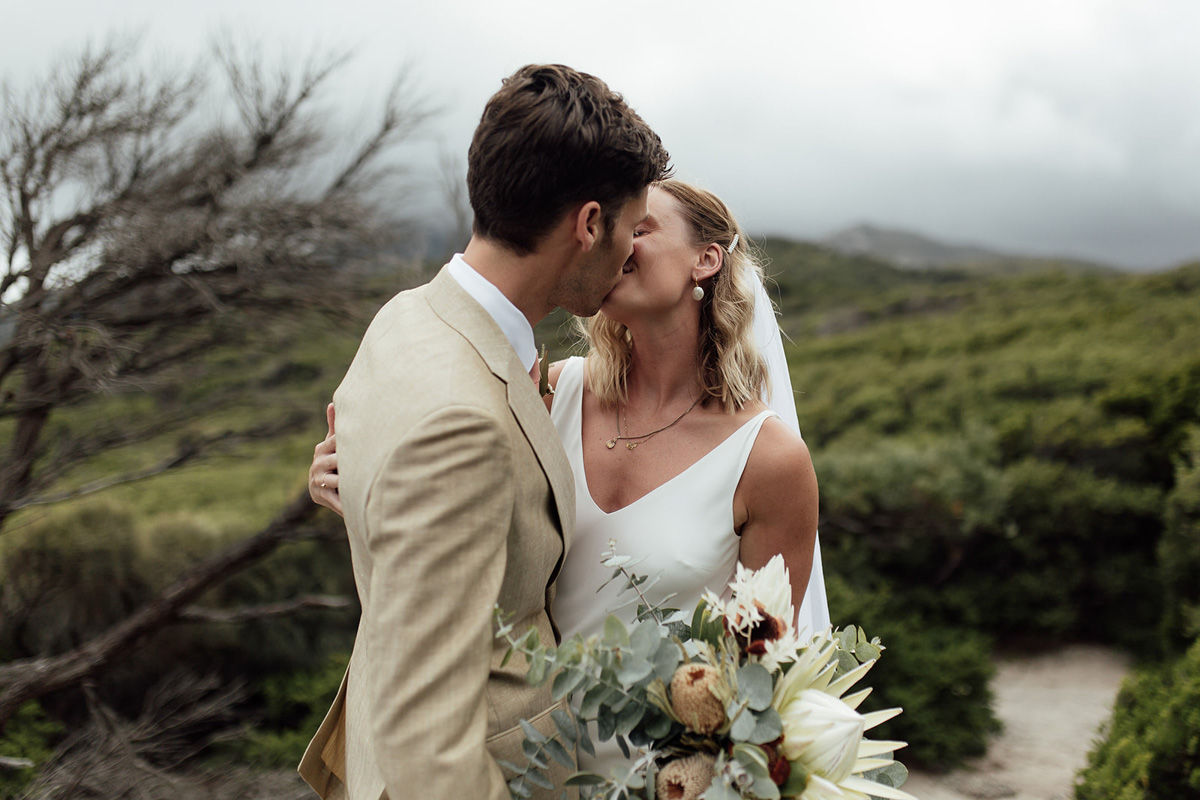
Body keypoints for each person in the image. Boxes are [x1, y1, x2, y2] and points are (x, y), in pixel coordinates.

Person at [309, 179, 832, 779]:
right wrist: (357, 478)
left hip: (655, 778)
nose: (615, 243)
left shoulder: (768, 460)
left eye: (640, 228)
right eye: (610, 228)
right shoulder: (549, 391)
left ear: (706, 260)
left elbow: (762, 669)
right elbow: (459, 513)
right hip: (517, 758)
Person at [297, 64, 671, 800]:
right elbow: (427, 751)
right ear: (588, 224)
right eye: (630, 228)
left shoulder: (410, 314)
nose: (631, 252)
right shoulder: (461, 423)